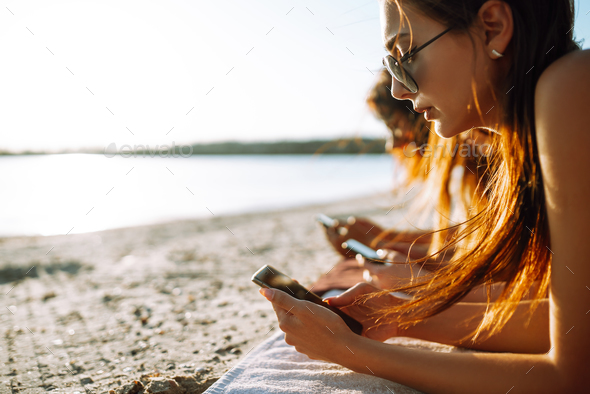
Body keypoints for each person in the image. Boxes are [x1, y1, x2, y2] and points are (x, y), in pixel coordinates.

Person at [260, 0, 588, 392]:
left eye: (405, 56)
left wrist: (348, 351)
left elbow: (569, 377)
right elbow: (562, 319)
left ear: (493, 27)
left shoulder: (570, 83)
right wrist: (402, 314)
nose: (399, 87)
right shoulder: (537, 123)